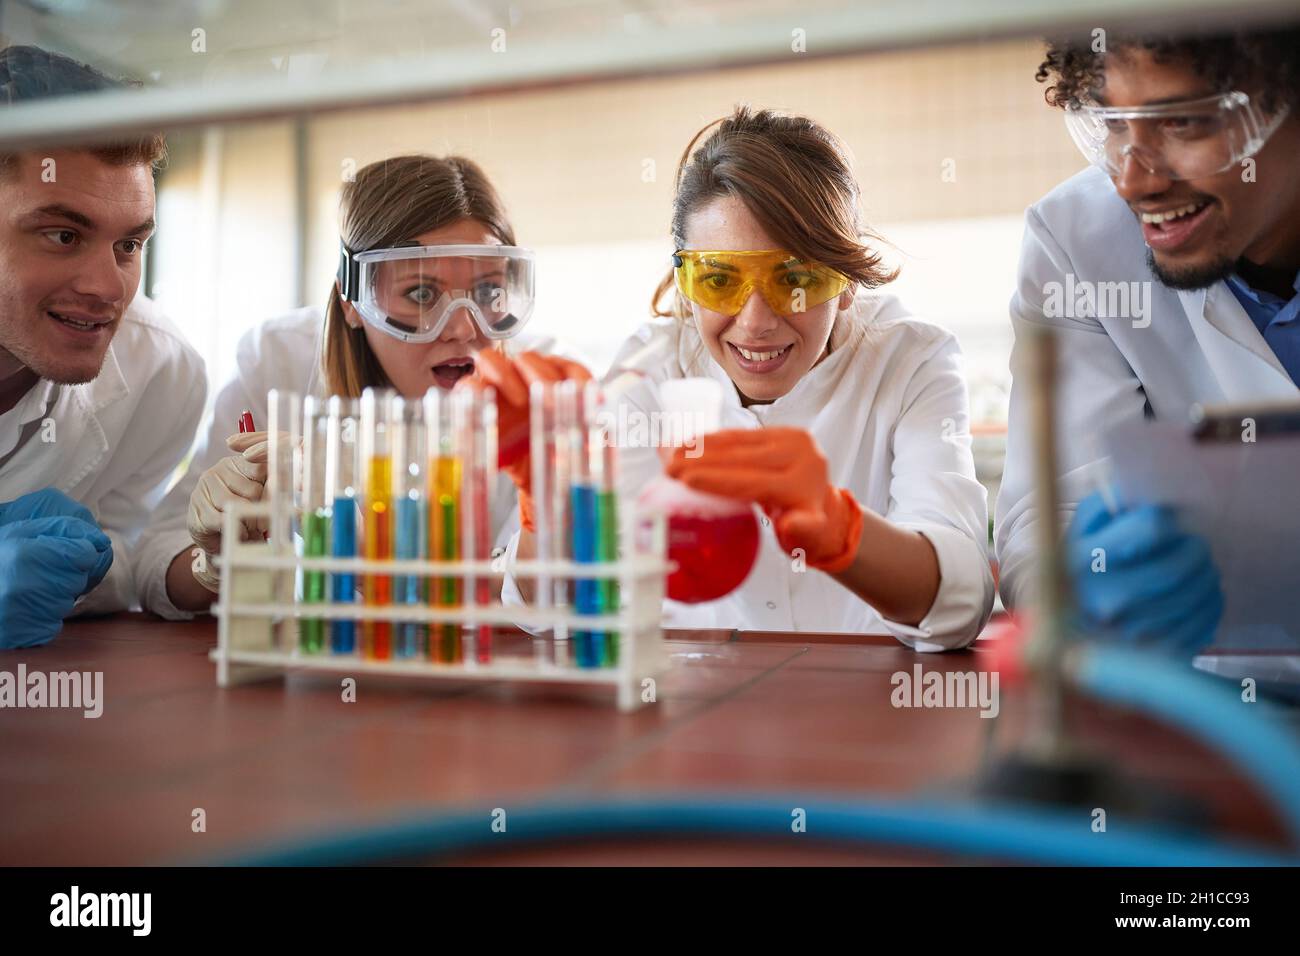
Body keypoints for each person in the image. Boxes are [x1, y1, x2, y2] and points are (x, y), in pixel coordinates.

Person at [502, 107, 995, 650]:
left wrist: (840, 528)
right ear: (685, 283)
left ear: (848, 282)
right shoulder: (650, 373)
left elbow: (959, 608)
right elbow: (545, 612)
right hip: (692, 704)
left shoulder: (909, 361)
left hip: (868, 708)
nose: (756, 322)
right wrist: (546, 511)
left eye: (796, 278)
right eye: (719, 279)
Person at [136, 153, 588, 617]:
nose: (461, 329)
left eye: (489, 293)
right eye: (421, 294)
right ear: (354, 300)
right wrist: (215, 562)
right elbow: (152, 567)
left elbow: (546, 590)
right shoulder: (279, 359)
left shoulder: (550, 383)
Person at [995, 27, 1300, 653]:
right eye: (1111, 124)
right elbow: (1046, 516)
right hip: (1199, 689)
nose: (1134, 180)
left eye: (1185, 123)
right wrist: (1084, 582)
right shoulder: (1076, 239)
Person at [0, 45, 206, 648]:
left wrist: (91, 571)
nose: (107, 288)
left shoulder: (161, 373)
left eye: (129, 245)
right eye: (63, 235)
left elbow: (124, 556)